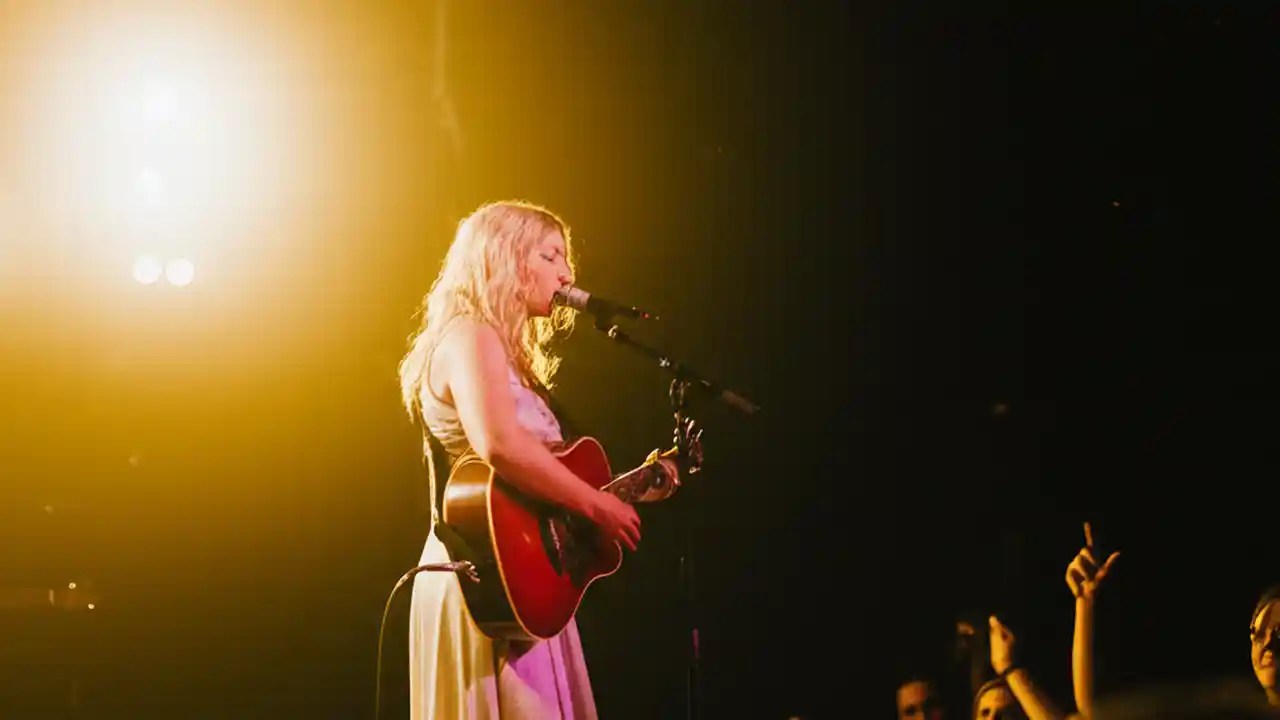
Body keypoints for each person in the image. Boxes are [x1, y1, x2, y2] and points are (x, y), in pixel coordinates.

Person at [397, 199, 682, 719]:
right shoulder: (470, 335)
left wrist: (636, 484)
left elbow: (532, 484)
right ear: (503, 257)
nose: (567, 274)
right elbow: (501, 446)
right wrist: (597, 506)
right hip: (483, 577)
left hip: (517, 579)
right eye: (550, 255)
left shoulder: (501, 352)